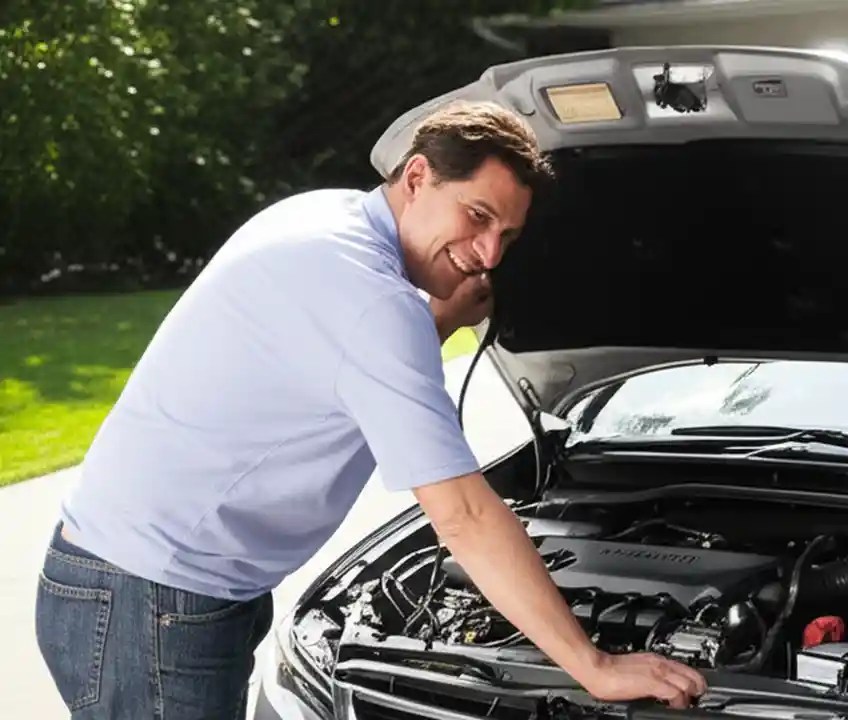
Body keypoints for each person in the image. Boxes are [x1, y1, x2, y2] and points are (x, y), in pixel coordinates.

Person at [34, 101, 708, 719]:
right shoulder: (375, 302)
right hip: (153, 602)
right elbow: (463, 515)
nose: (489, 255)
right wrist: (593, 666)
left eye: (507, 235)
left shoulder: (322, 218)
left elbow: (342, 373)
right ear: (417, 177)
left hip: (131, 579)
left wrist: (437, 324)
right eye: (477, 216)